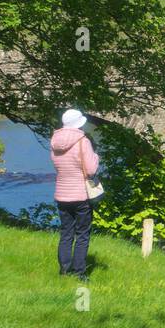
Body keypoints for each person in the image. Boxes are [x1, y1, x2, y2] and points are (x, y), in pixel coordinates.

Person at [50, 108, 99, 278]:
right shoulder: (82, 141)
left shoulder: (54, 141)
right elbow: (91, 170)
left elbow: (58, 166)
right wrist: (96, 157)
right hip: (80, 195)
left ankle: (64, 270)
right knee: (82, 234)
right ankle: (79, 272)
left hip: (62, 194)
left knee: (66, 233)